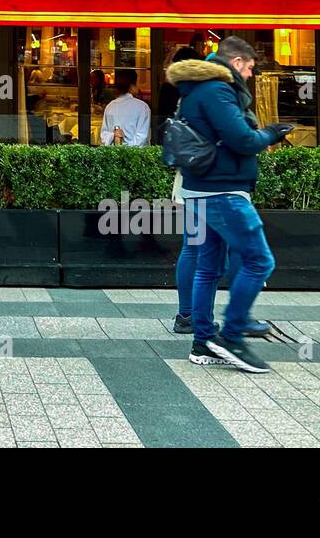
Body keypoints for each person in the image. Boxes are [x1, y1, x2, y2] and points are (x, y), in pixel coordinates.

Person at [170, 36, 294, 374]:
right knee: (259, 260)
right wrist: (271, 133)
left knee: (208, 266)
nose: (252, 75)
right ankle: (232, 336)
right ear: (237, 62)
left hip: (200, 189)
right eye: (251, 67)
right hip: (222, 191)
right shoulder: (218, 89)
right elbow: (242, 140)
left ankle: (202, 343)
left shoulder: (196, 88)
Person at [99, 68, 150, 146]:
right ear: (132, 86)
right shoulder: (142, 107)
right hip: (135, 155)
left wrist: (113, 136)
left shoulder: (110, 106)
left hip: (113, 154)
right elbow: (142, 137)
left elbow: (104, 135)